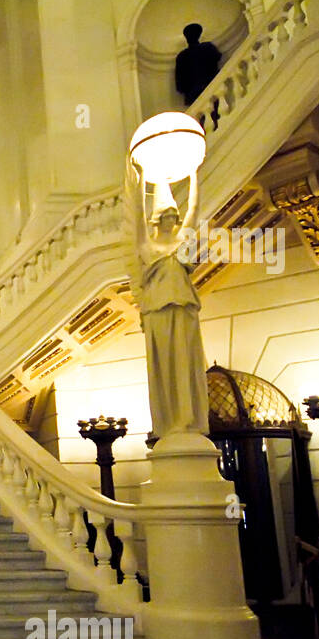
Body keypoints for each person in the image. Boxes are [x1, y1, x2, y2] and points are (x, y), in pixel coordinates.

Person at [124, 157, 209, 439]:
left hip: (183, 306)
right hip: (156, 310)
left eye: (174, 215)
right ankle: (168, 424)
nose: (173, 220)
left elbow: (194, 209)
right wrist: (138, 181)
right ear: (157, 219)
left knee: (186, 364)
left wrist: (194, 174)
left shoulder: (183, 240)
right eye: (168, 215)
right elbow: (135, 215)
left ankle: (188, 420)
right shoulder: (145, 245)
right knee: (164, 368)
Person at [174, 23, 222, 106]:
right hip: (205, 90)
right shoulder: (207, 47)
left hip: (198, 93)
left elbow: (180, 85)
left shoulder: (182, 56)